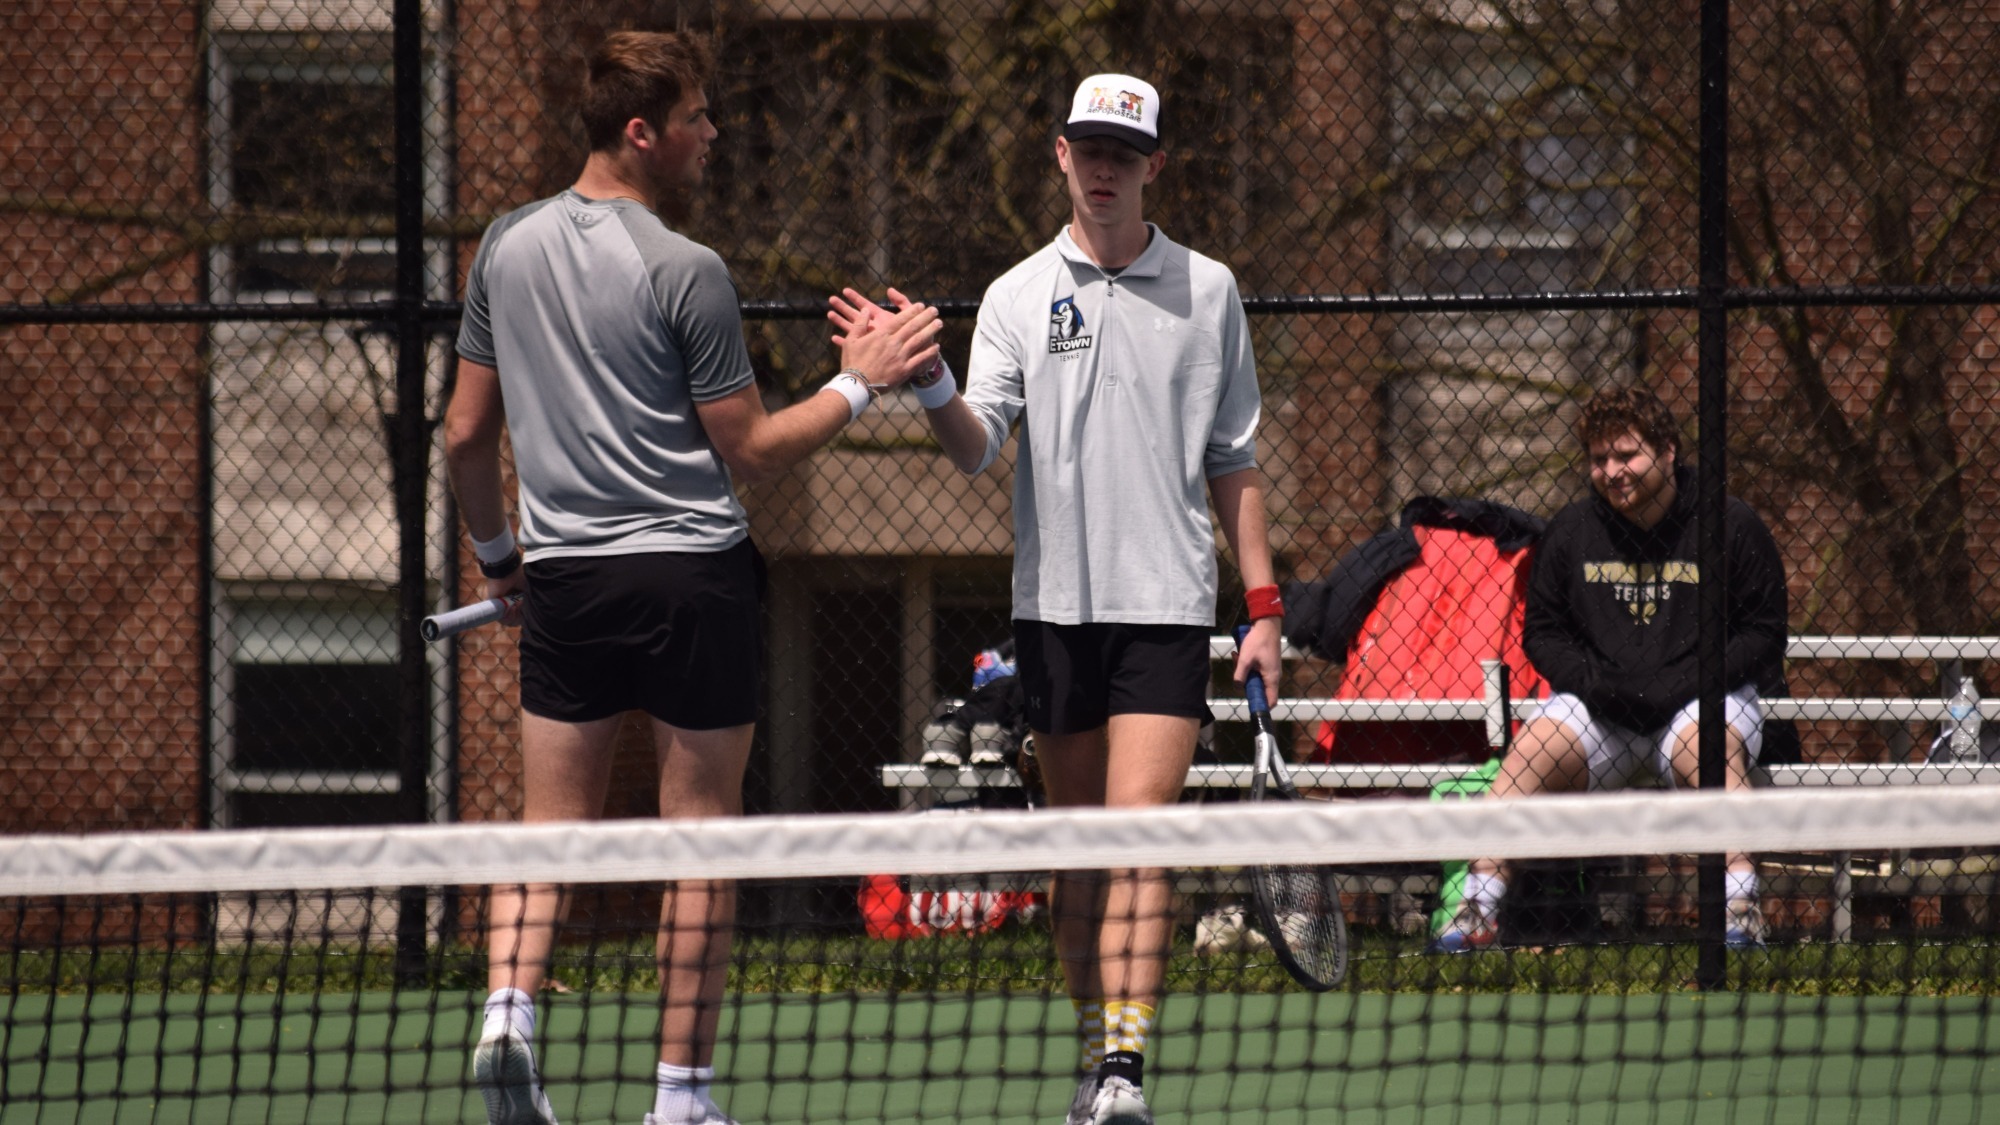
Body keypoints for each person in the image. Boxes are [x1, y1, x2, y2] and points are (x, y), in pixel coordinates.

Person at [443, 30, 942, 1125]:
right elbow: (752, 450)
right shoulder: (687, 271)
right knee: (698, 836)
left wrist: (500, 562)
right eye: (698, 119)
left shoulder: (503, 249)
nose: (712, 136)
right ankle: (678, 1099)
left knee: (548, 826)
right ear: (641, 133)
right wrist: (860, 384)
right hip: (693, 576)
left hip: (566, 583)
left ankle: (509, 1013)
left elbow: (464, 439)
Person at [832, 73, 1283, 1125]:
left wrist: (1260, 606)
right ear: (1059, 156)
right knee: (1081, 854)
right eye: (1088, 148)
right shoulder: (1014, 297)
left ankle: (1125, 1067)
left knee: (1137, 837)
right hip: (1053, 615)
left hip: (1167, 609)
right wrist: (933, 383)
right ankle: (1097, 1054)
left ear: (1155, 164)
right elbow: (977, 449)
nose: (1105, 167)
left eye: (1125, 151)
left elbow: (1234, 459)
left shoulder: (1210, 291)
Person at [1430, 386, 1788, 953]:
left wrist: (1684, 683)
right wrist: (1600, 685)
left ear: (1668, 451)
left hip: (1696, 706)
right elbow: (1543, 634)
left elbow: (1765, 633)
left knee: (1709, 745)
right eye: (1600, 459)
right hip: (1603, 714)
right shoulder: (1570, 532)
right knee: (1530, 750)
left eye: (1627, 455)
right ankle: (1476, 910)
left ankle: (1740, 911)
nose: (1613, 471)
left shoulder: (1730, 524)